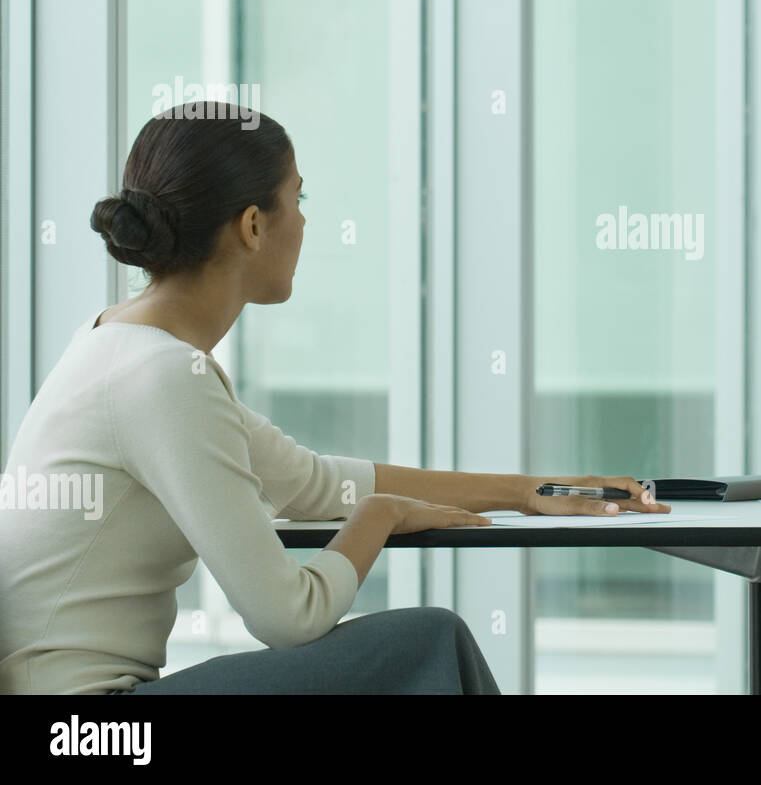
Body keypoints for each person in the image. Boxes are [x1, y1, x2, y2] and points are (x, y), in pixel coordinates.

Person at [0, 102, 667, 695]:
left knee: (426, 649)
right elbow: (288, 615)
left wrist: (531, 489)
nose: (307, 220)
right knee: (426, 644)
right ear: (254, 225)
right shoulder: (162, 377)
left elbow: (313, 481)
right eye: (300, 197)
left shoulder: (125, 343)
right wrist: (377, 518)